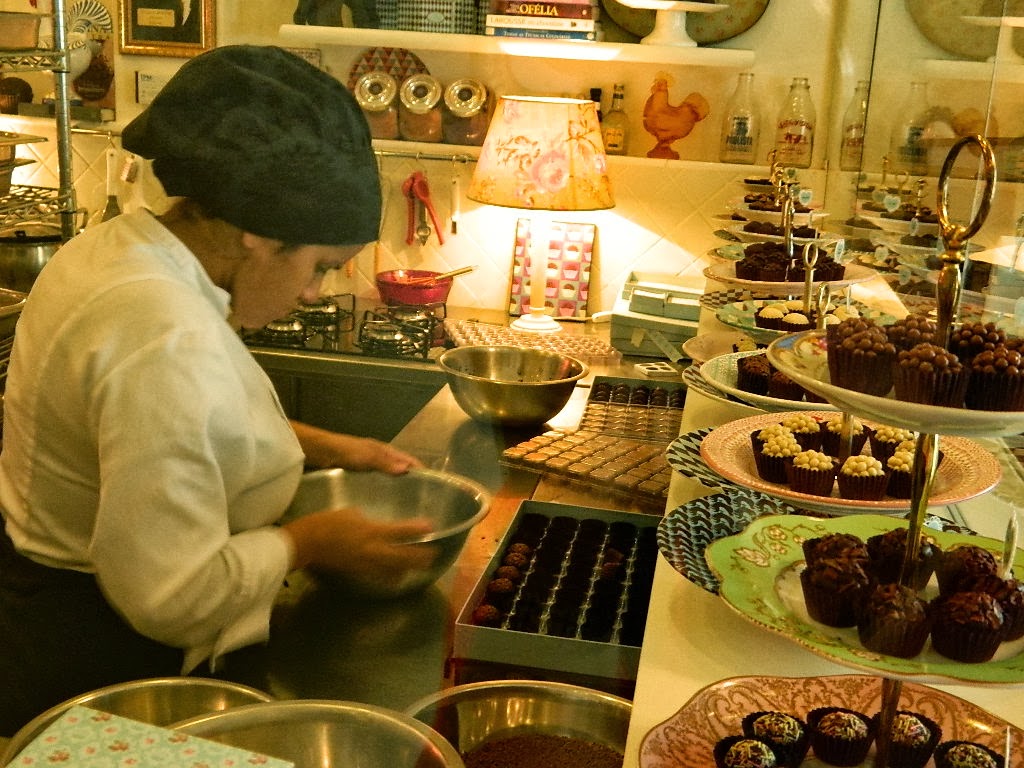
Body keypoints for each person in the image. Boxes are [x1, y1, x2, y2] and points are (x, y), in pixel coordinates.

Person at [0, 45, 438, 736]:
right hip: (116, 660)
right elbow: (173, 594)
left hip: (41, 613)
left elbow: (155, 429)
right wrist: (310, 543)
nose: (312, 293)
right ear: (255, 235)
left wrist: (329, 446)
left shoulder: (116, 249)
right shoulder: (163, 333)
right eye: (320, 266)